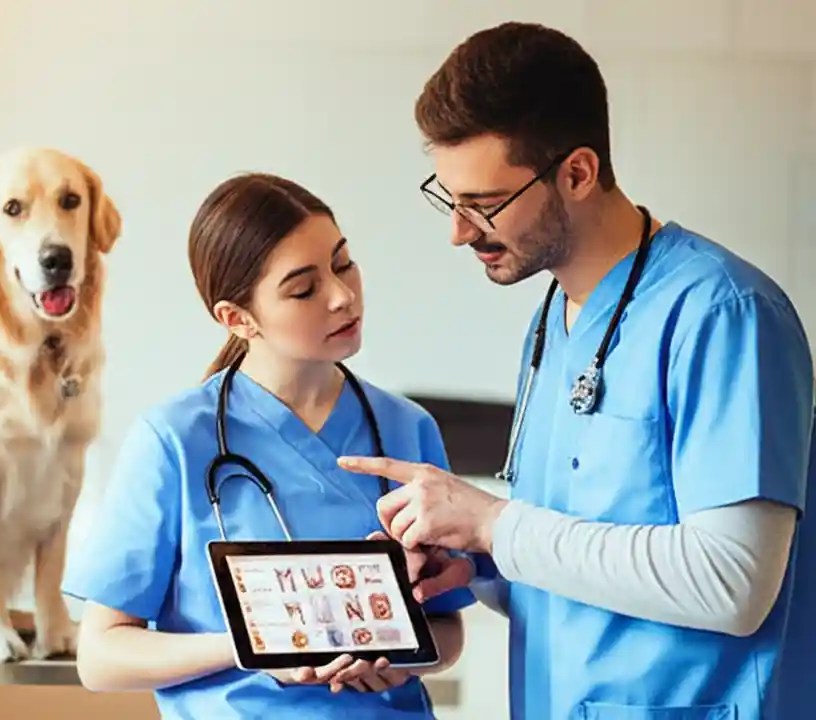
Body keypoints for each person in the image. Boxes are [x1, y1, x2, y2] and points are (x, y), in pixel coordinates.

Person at [337, 21, 816, 720]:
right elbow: (573, 547)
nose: (459, 231)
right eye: (449, 199)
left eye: (484, 203)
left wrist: (494, 525)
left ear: (578, 173)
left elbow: (734, 585)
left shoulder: (724, 314)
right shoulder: (553, 321)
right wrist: (475, 567)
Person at [62, 172, 475, 718]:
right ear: (238, 319)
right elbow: (101, 655)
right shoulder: (174, 441)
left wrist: (404, 660)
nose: (342, 295)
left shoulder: (406, 428)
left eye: (343, 262)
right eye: (304, 288)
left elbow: (446, 627)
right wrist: (252, 647)